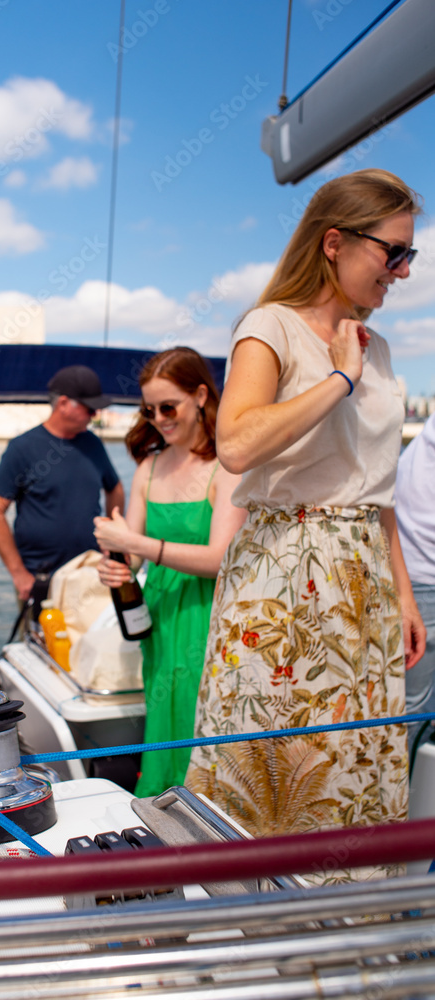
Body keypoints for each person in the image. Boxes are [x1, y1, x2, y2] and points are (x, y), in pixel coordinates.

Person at [185, 169, 426, 880]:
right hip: (285, 570)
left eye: (410, 257)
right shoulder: (270, 328)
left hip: (363, 576)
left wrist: (405, 596)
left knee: (355, 760)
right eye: (395, 253)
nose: (404, 273)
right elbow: (235, 444)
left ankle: (344, 942)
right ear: (334, 242)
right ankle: (257, 936)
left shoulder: (377, 347)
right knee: (272, 761)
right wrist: (337, 381)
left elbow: (376, 491)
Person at [94, 347, 246, 796]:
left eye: (168, 406)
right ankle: (166, 818)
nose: (159, 418)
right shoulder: (149, 466)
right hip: (159, 615)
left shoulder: (228, 467)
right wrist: (117, 567)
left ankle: (209, 821)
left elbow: (220, 558)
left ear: (200, 396)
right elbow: (134, 555)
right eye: (150, 409)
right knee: (164, 715)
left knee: (204, 719)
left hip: (210, 616)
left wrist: (135, 546)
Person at [0, 365, 125, 603]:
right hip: (39, 580)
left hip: (91, 573)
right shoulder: (22, 448)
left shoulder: (94, 444)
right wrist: (19, 574)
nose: (94, 416)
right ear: (63, 404)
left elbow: (115, 488)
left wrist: (113, 538)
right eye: (89, 409)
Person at [395, 413, 435, 754]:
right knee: (415, 710)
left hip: (417, 573)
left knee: (416, 708)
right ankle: (404, 801)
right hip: (424, 577)